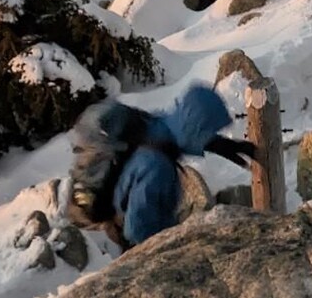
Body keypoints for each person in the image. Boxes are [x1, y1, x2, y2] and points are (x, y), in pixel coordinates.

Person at [62, 84, 255, 249]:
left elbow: (182, 130)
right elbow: (138, 229)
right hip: (137, 248)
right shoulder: (157, 167)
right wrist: (177, 242)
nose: (211, 135)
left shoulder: (153, 126)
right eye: (210, 131)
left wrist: (222, 145)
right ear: (198, 130)